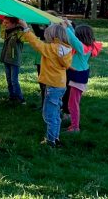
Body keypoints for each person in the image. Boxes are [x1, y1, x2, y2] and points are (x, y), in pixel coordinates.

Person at [20, 19, 75, 148]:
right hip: (60, 85)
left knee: (49, 115)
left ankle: (51, 141)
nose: (45, 37)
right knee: (55, 114)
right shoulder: (66, 48)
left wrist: (25, 28)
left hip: (53, 87)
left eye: (47, 35)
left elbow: (36, 43)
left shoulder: (51, 49)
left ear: (53, 36)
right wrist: (62, 25)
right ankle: (55, 138)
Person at [66, 24, 102, 132]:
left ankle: (75, 127)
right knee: (72, 102)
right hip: (79, 75)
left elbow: (73, 39)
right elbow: (74, 38)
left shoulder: (81, 48)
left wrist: (66, 28)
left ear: (80, 37)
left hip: (78, 77)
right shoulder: (86, 46)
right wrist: (68, 25)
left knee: (73, 104)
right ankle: (73, 125)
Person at [0, 17, 25, 103]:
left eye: (7, 23)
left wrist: (23, 26)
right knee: (9, 79)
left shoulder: (19, 33)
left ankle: (20, 99)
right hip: (7, 59)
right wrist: (3, 24)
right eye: (4, 23)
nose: (5, 24)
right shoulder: (7, 32)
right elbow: (2, 35)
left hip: (14, 60)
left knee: (14, 80)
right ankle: (12, 96)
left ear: (14, 24)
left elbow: (25, 38)